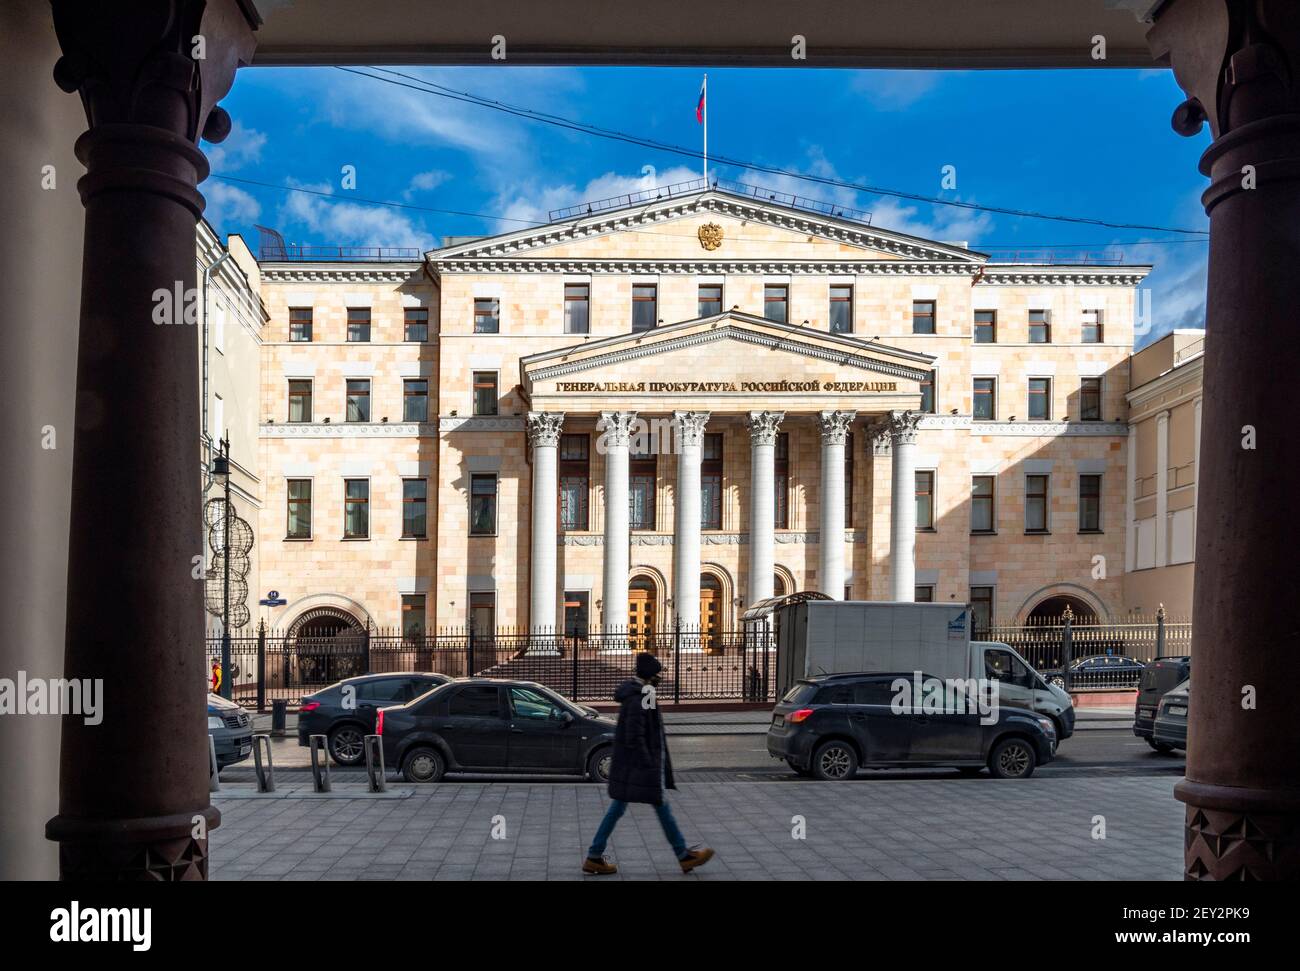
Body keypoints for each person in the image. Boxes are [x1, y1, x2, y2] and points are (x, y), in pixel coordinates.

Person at [583, 652, 714, 875]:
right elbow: (636, 734)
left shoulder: (643, 693)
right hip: (639, 767)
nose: (659, 678)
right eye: (656, 675)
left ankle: (594, 856)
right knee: (660, 808)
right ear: (649, 676)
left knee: (619, 809)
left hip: (630, 766)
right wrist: (648, 764)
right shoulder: (640, 696)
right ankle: (683, 855)